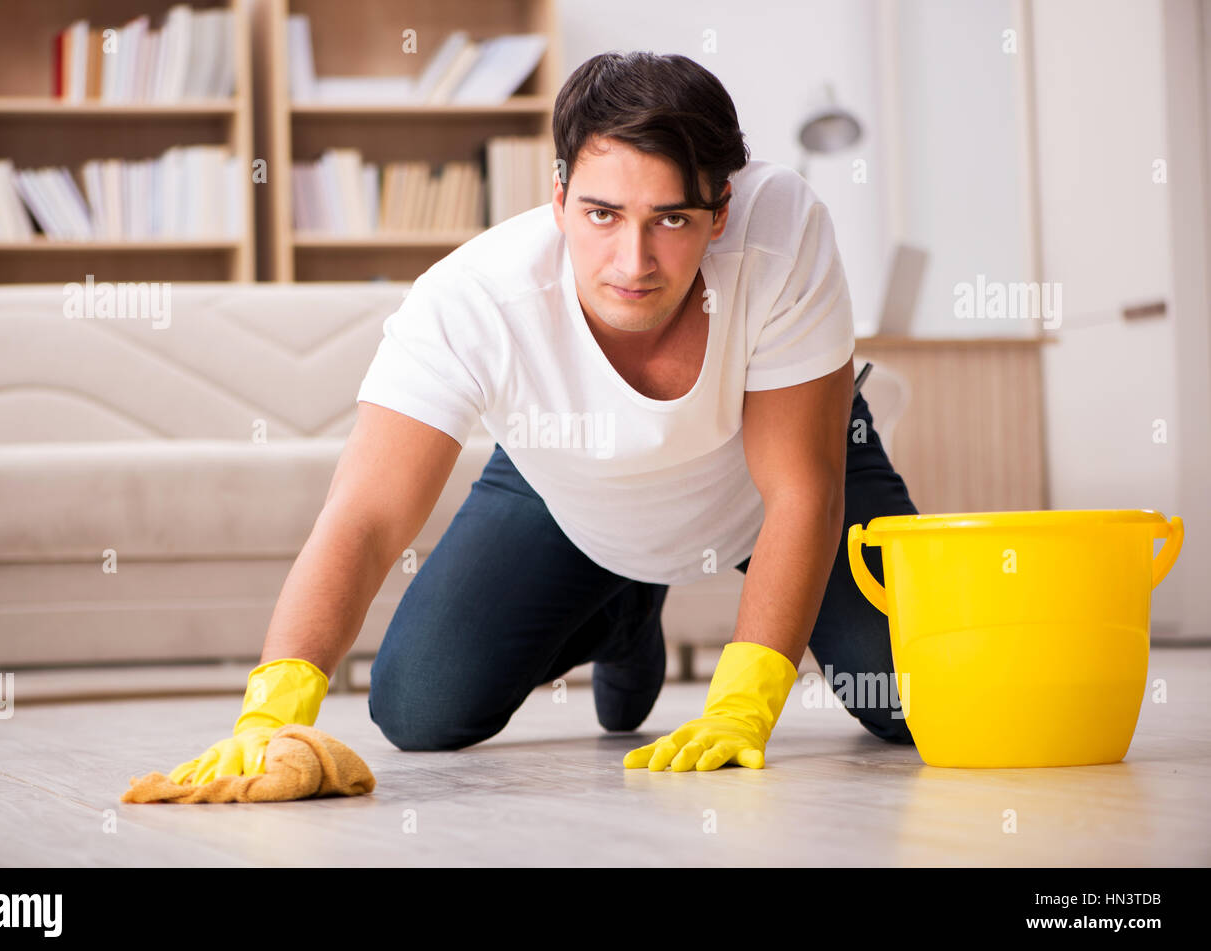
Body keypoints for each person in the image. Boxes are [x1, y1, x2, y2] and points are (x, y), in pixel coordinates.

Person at [169, 51, 918, 786]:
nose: (633, 262)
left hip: (780, 485)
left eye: (671, 219)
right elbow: (364, 516)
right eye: (602, 214)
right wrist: (269, 713)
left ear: (721, 211)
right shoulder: (472, 300)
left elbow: (801, 491)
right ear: (558, 197)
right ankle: (620, 615)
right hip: (570, 490)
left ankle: (638, 600)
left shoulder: (781, 229)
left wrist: (741, 706)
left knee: (915, 699)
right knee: (419, 708)